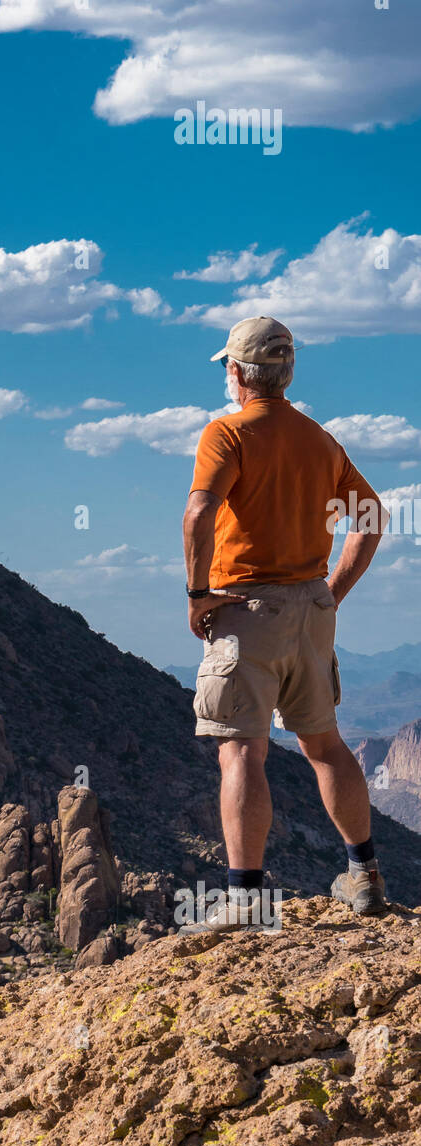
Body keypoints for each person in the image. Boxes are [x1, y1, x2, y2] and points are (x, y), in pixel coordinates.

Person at [182, 315, 388, 930]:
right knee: (324, 743)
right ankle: (365, 876)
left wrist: (197, 595)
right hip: (311, 609)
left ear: (241, 373)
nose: (226, 374)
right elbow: (371, 517)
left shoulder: (227, 434)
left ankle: (244, 902)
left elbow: (198, 514)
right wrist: (332, 592)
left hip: (248, 611)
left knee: (242, 748)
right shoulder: (319, 440)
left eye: (227, 366)